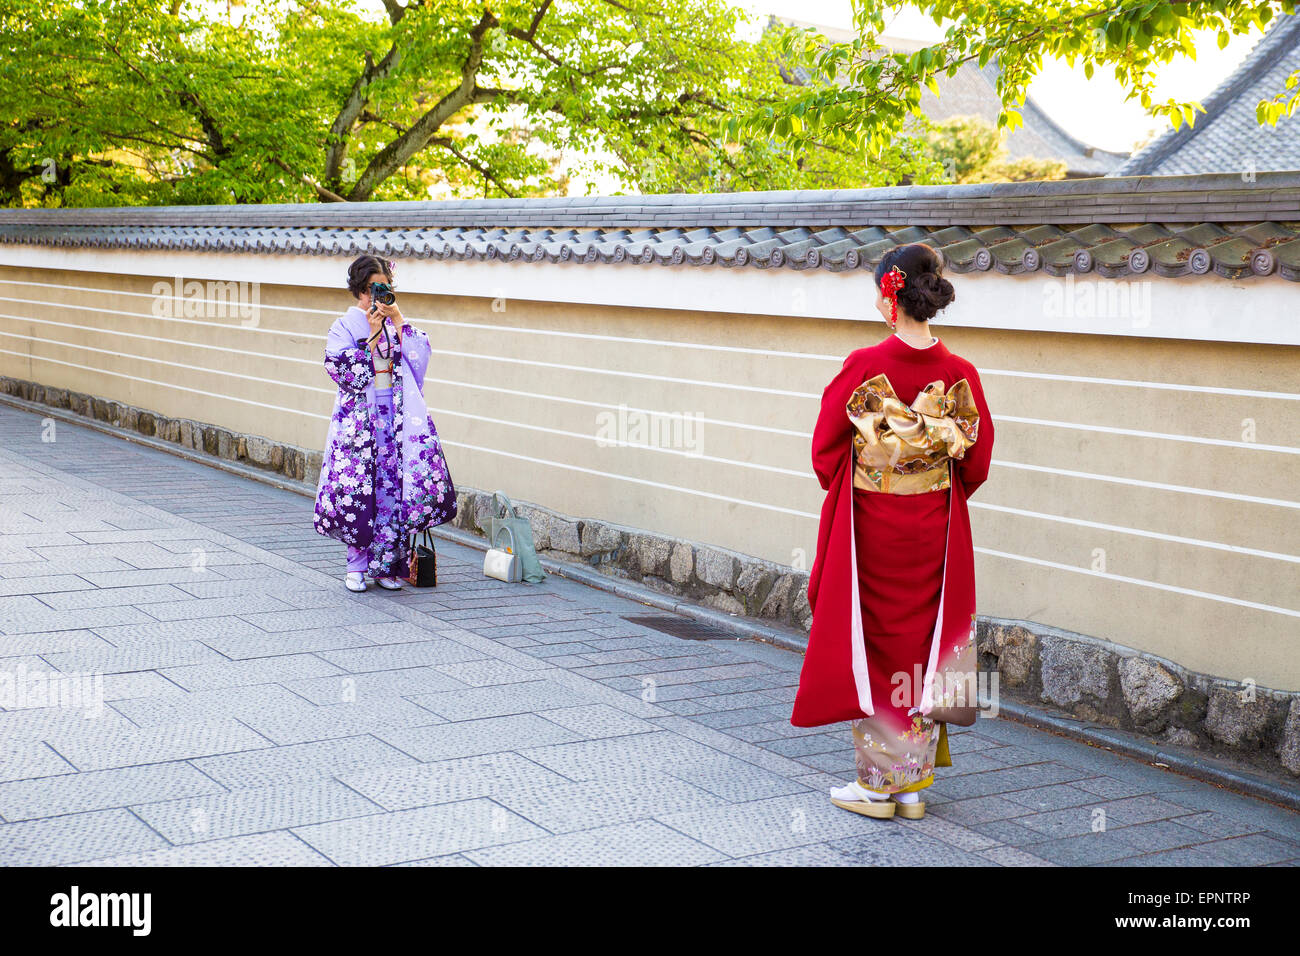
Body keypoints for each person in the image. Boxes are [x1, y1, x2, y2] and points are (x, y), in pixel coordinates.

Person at [790, 242, 994, 820]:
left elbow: (826, 450)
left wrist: (878, 477)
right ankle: (909, 785)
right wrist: (927, 482)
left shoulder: (863, 366)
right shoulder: (961, 374)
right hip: (935, 529)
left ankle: (879, 787)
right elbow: (974, 466)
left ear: (889, 300)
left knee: (876, 643)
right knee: (924, 646)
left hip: (873, 527)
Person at [313, 255, 457, 592]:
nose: (375, 297)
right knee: (359, 490)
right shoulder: (344, 327)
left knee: (393, 488)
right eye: (369, 290)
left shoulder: (397, 325)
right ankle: (357, 566)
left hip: (394, 419)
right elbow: (343, 372)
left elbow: (419, 360)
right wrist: (374, 337)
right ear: (358, 291)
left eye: (383, 288)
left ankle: (390, 565)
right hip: (359, 424)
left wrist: (397, 320)